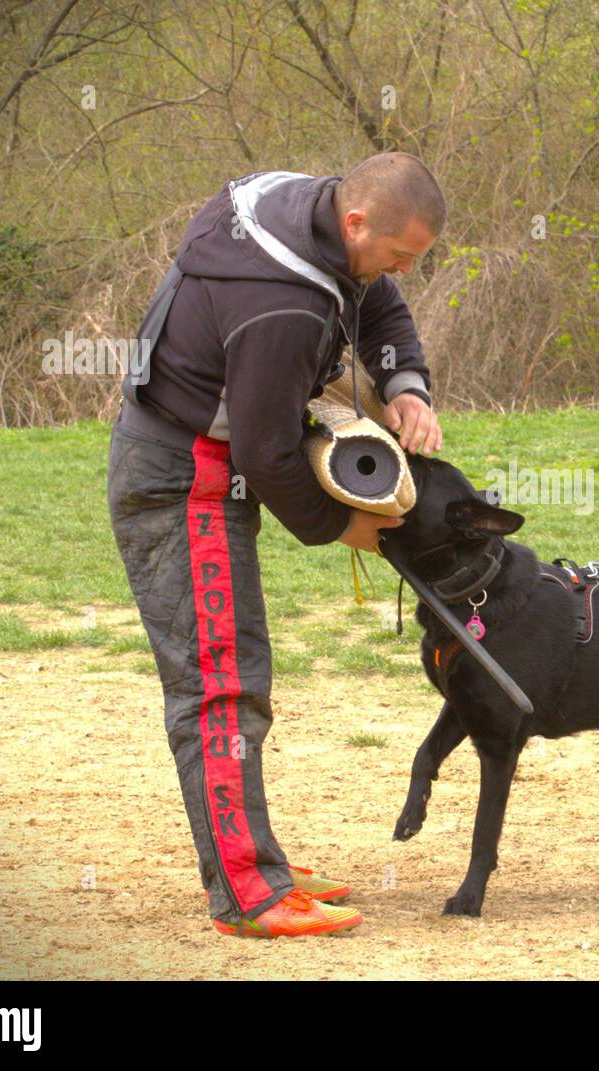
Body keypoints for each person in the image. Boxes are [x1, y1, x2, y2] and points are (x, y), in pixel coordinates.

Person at [107, 152, 446, 935]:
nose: (401, 272)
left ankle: (244, 853)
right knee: (221, 682)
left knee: (233, 668)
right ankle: (247, 892)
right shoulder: (281, 303)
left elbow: (380, 306)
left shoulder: (311, 214)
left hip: (199, 459)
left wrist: (406, 384)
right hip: (185, 475)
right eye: (399, 255)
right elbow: (266, 452)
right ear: (356, 222)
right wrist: (342, 526)